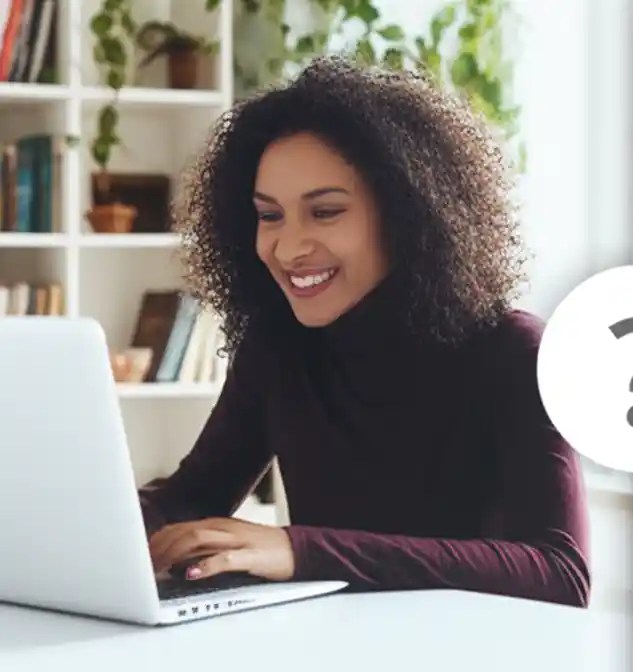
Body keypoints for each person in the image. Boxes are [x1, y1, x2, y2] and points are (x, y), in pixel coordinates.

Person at [136, 56, 591, 608]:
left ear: (407, 216)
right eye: (269, 215)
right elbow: (193, 497)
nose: (288, 247)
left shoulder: (516, 353)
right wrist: (91, 526)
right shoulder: (278, 349)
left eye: (325, 212)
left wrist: (301, 552)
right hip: (330, 665)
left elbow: (559, 573)